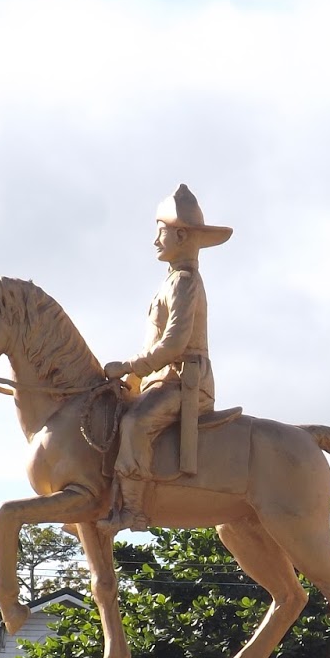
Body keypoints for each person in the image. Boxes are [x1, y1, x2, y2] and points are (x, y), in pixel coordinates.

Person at [96, 183, 233, 537]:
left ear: (182, 235)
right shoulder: (170, 282)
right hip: (162, 382)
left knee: (136, 424)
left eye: (162, 234)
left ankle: (134, 512)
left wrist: (128, 367)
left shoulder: (185, 281)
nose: (156, 242)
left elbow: (173, 344)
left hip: (185, 382)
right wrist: (134, 383)